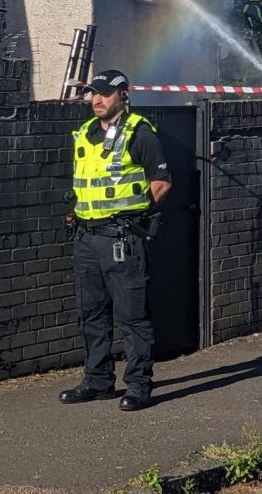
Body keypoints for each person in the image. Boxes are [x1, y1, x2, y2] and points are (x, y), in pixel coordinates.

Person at [59, 70, 171, 412]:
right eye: (93, 94)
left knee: (131, 316)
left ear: (123, 94)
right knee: (90, 312)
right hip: (87, 238)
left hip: (121, 237)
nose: (97, 100)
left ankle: (138, 385)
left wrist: (134, 218)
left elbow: (162, 182)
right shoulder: (84, 134)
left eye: (105, 94)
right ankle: (97, 380)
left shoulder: (139, 132)